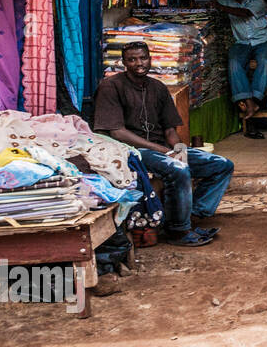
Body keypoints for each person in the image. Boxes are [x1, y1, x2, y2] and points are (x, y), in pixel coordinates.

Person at [94, 42, 234, 246]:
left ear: (150, 59)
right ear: (123, 62)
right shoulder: (111, 86)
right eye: (132, 60)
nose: (139, 63)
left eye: (143, 58)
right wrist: (166, 152)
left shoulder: (157, 87)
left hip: (160, 148)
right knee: (177, 169)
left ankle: (191, 213)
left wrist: (179, 150)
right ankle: (179, 231)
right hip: (130, 150)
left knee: (222, 165)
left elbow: (170, 129)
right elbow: (117, 132)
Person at [215, 0, 267, 131]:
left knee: (264, 61)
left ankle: (255, 98)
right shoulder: (227, 2)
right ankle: (248, 100)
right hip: (242, 43)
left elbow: (245, 13)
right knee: (233, 61)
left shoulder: (257, 2)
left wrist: (220, 7)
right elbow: (207, 4)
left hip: (264, 41)